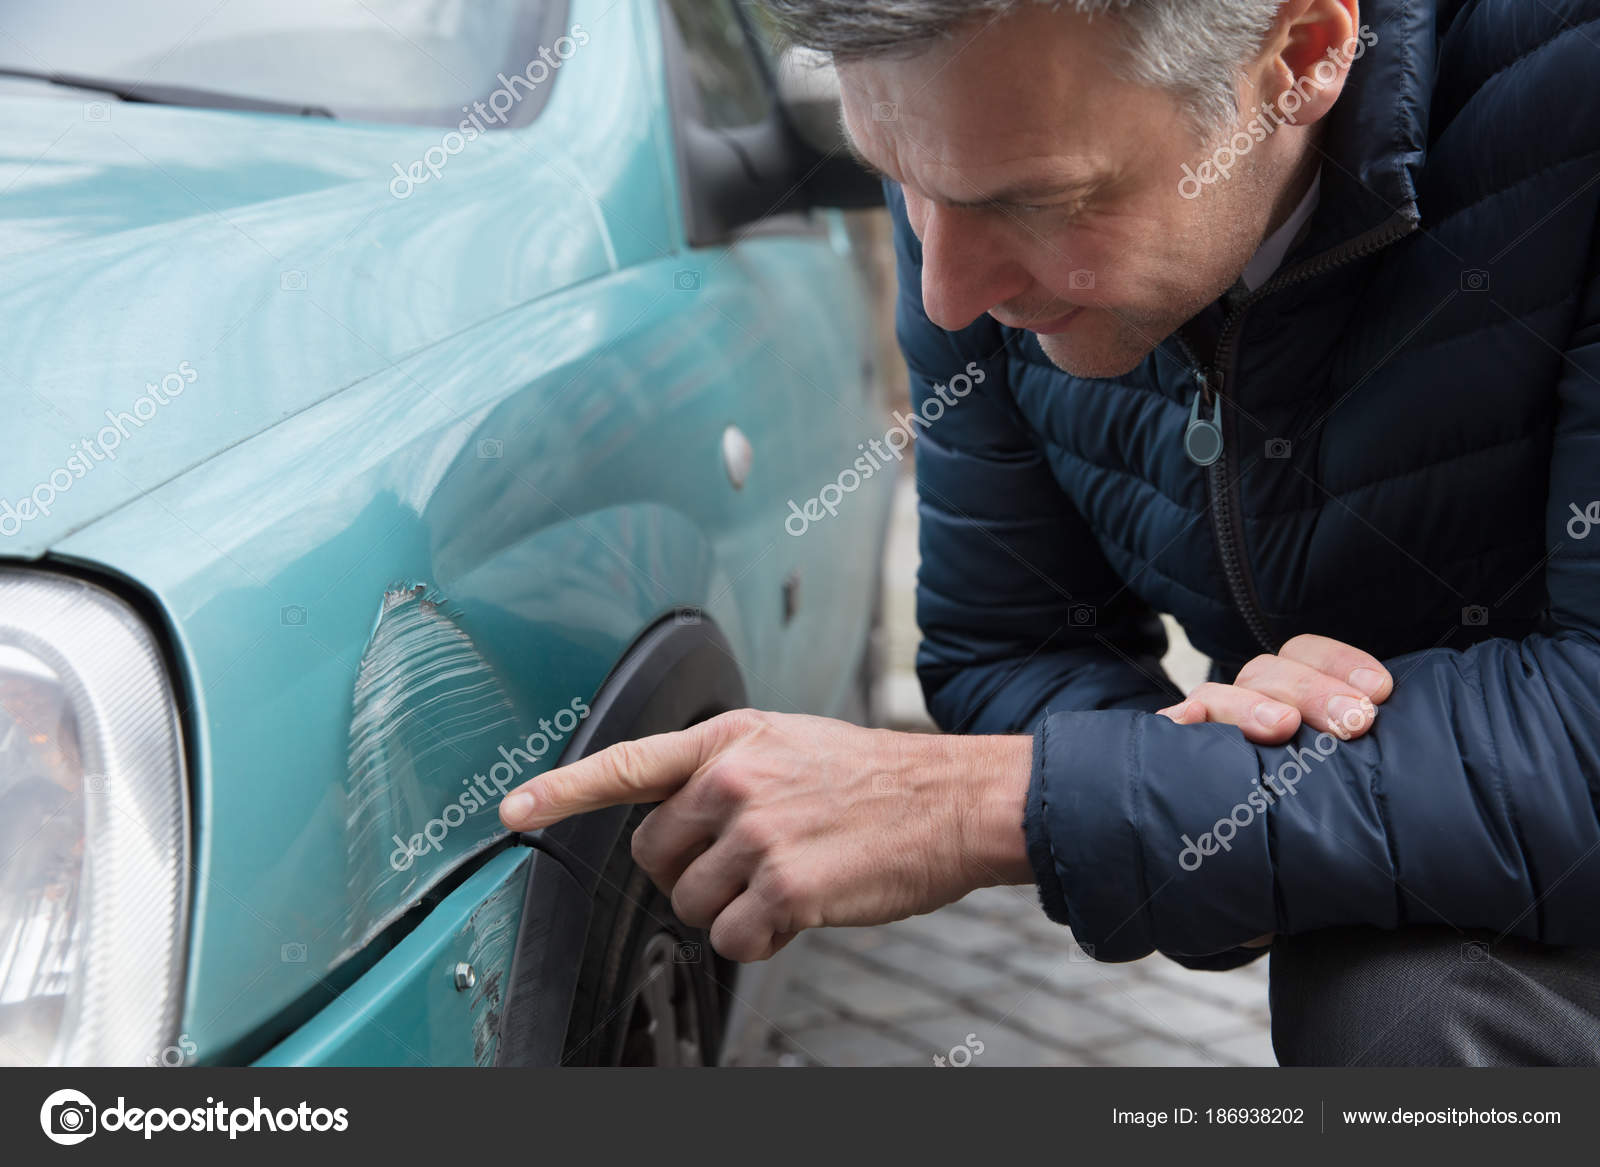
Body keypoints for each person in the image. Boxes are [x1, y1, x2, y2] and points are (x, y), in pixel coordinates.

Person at [500, 0, 1600, 1065]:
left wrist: (987, 803)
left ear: (1302, 55)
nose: (944, 297)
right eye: (900, 181)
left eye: (1038, 202)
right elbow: (1007, 643)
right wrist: (1196, 805)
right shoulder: (970, 170)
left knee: (1401, 1014)